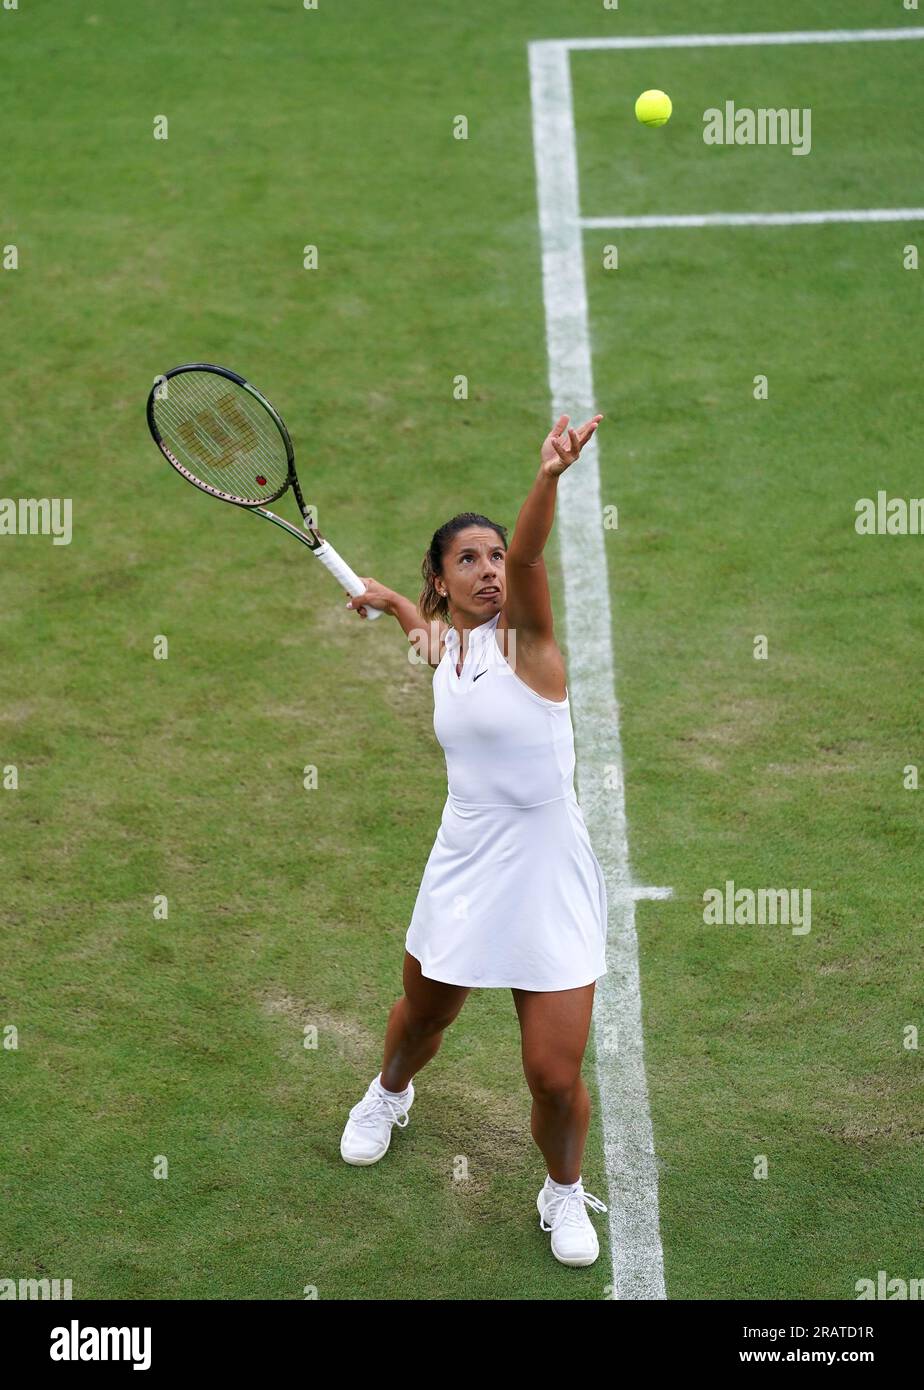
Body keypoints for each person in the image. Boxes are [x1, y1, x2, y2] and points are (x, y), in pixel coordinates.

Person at [339, 414, 610, 1267]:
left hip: (546, 873)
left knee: (554, 1075)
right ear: (441, 579)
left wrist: (550, 478)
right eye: (470, 560)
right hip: (463, 864)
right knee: (423, 1018)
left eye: (494, 557)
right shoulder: (446, 646)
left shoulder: (531, 647)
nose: (490, 570)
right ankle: (389, 1094)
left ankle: (560, 1193)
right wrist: (387, 602)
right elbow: (423, 642)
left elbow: (533, 559)